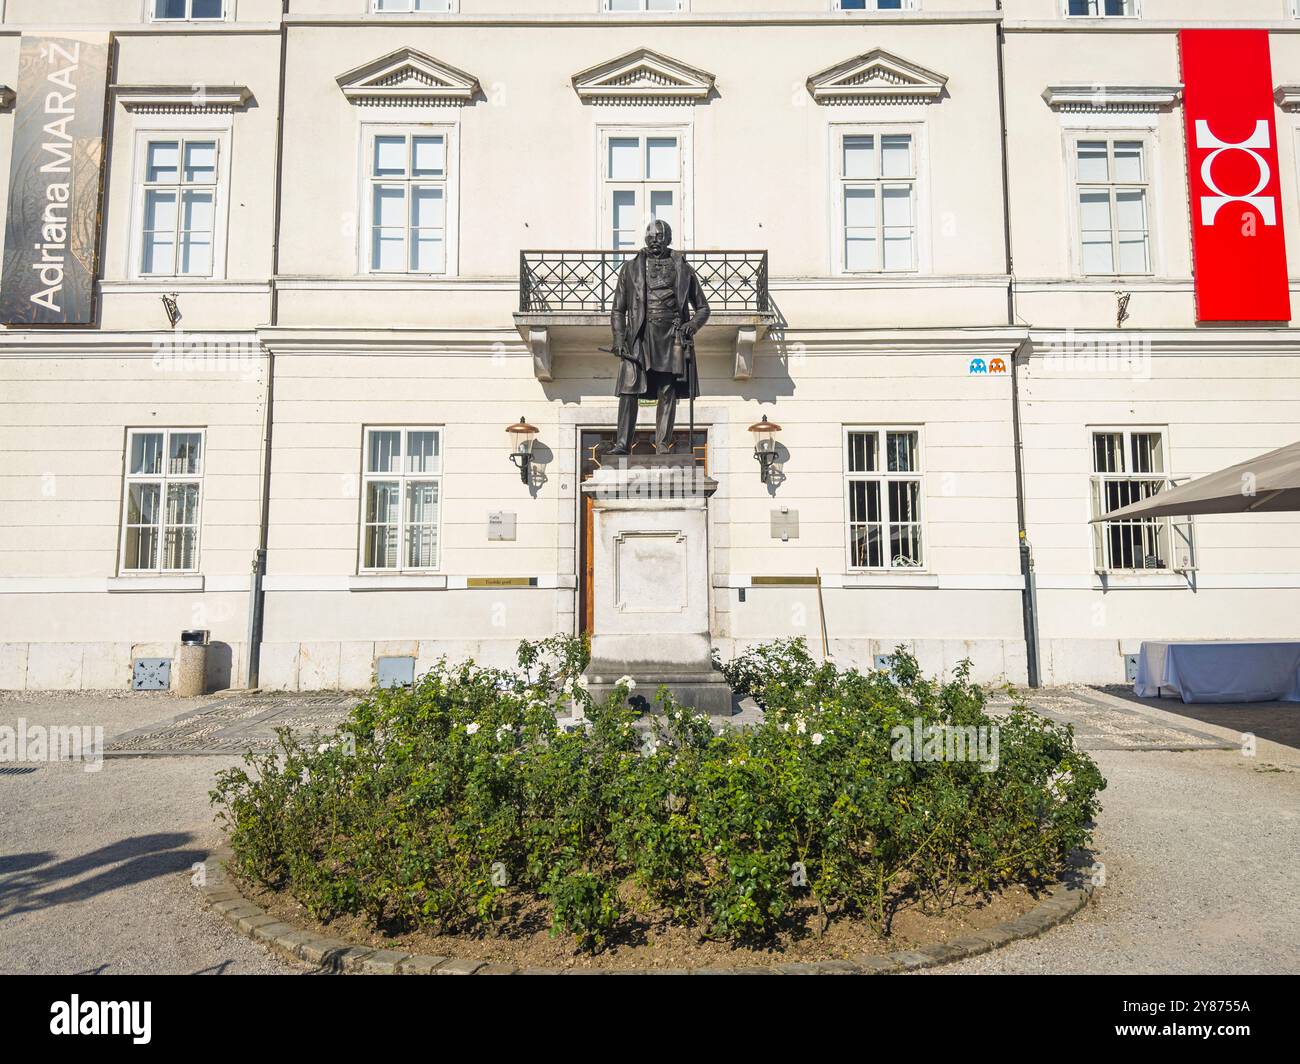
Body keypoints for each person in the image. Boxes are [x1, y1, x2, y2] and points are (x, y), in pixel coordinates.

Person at [607, 219, 710, 455]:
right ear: (645, 239)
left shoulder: (684, 269)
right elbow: (618, 309)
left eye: (660, 237)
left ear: (668, 239)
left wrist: (692, 325)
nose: (655, 241)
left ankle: (663, 445)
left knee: (667, 390)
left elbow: (703, 308)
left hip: (671, 336)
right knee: (629, 389)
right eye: (651, 237)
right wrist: (618, 338)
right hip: (639, 337)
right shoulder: (630, 269)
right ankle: (622, 444)